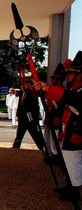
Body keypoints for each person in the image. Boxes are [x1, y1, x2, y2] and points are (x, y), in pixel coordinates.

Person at [34, 51, 82, 200]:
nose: (67, 77)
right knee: (70, 160)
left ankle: (74, 190)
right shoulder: (74, 90)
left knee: (74, 161)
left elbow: (71, 99)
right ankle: (70, 186)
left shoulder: (78, 92)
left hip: (77, 132)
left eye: (71, 74)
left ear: (79, 75)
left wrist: (48, 89)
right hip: (69, 129)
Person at [11, 81, 45, 150]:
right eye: (23, 85)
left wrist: (34, 118)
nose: (24, 86)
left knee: (34, 133)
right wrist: (17, 115)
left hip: (30, 117)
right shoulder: (22, 94)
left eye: (27, 85)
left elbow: (34, 106)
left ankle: (42, 147)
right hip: (22, 117)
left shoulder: (32, 94)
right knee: (19, 133)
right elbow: (20, 106)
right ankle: (16, 146)